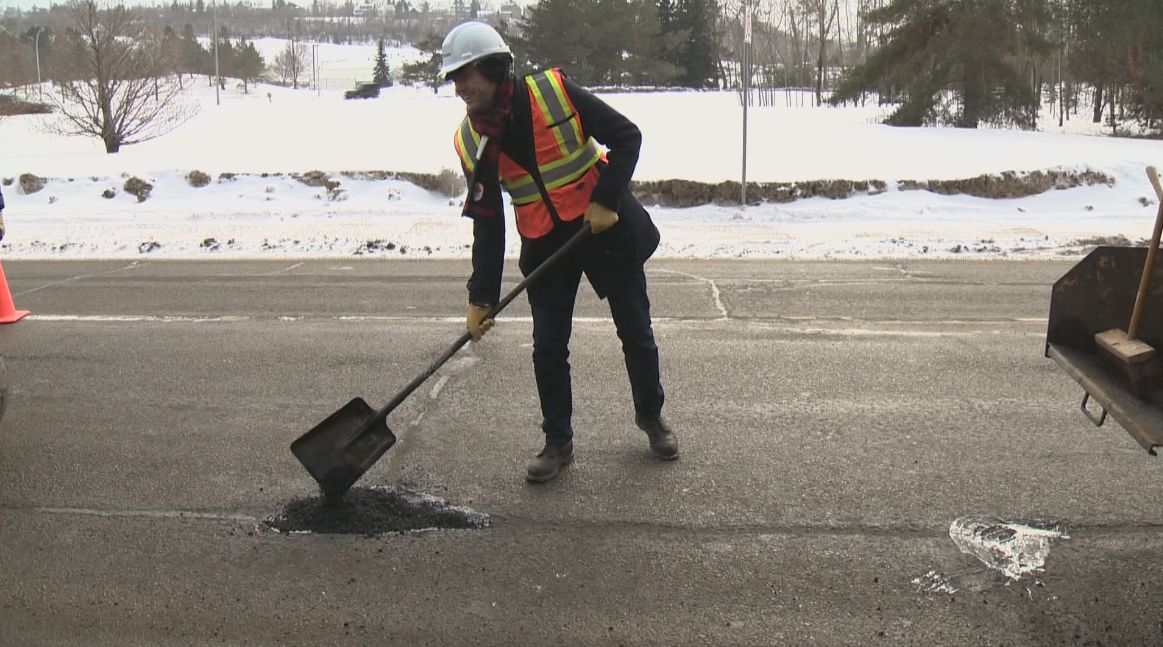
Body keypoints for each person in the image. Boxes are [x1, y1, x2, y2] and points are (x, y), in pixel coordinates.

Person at [441, 21, 678, 484]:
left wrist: (606, 198)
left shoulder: (553, 92)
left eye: (466, 74)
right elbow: (487, 222)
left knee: (636, 332)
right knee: (548, 347)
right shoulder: (472, 140)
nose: (460, 88)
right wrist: (481, 296)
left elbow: (627, 136)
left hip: (603, 230)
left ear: (493, 68)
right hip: (547, 243)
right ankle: (557, 443)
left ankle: (652, 417)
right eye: (454, 78)